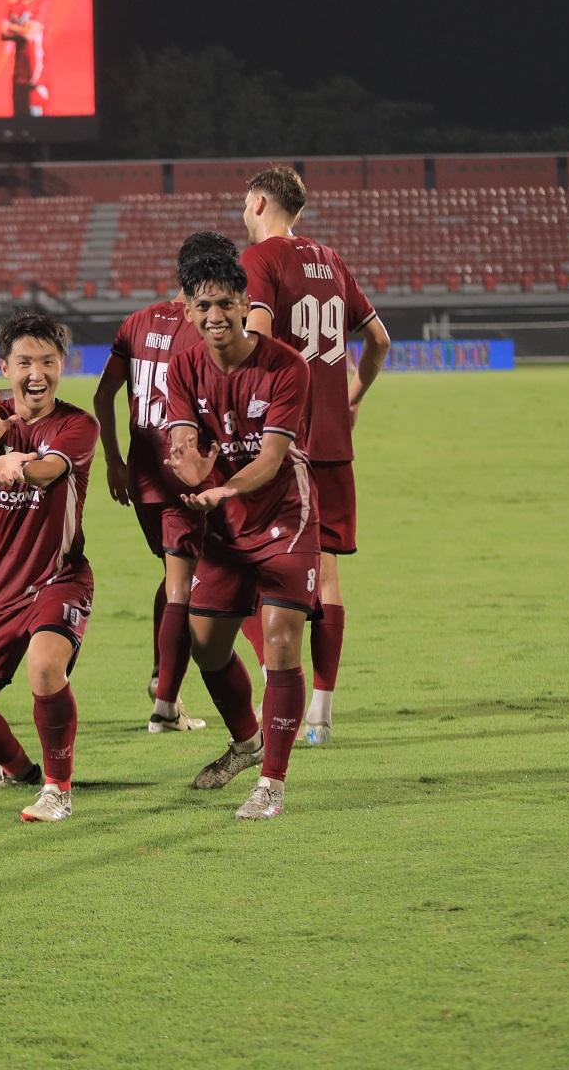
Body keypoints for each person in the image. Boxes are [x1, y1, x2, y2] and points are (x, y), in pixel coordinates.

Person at [241, 165, 390, 746]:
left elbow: (254, 338)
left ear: (258, 203)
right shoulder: (330, 259)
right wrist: (351, 397)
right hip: (331, 443)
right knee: (326, 575)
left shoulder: (259, 262)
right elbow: (377, 340)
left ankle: (275, 686)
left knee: (251, 568)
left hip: (279, 444)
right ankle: (321, 714)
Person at [164, 252, 316, 821]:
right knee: (205, 645)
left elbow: (274, 458)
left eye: (226, 303)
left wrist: (223, 489)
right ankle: (247, 742)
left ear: (246, 307)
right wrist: (191, 469)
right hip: (225, 524)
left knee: (279, 639)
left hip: (284, 515)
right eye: (203, 305)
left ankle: (272, 782)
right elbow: (183, 442)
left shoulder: (286, 367)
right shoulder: (184, 366)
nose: (215, 315)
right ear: (187, 311)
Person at [0, 310, 97, 822]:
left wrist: (14, 462)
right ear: (5, 366)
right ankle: (18, 769)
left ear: (62, 365)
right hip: (0, 585)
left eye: (49, 361)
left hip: (59, 578)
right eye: (25, 361)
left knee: (45, 669)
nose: (38, 373)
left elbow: (49, 470)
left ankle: (58, 789)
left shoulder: (78, 424)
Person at [93, 232, 249, 734]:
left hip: (142, 477)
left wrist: (116, 461)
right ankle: (165, 704)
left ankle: (164, 676)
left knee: (172, 575)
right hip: (185, 479)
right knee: (186, 583)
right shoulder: (205, 329)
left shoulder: (137, 322)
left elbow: (103, 395)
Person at [0, 0, 49, 119]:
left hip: (36, 77)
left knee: (38, 125)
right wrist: (19, 28)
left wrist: (13, 27)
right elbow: (3, 32)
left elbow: (30, 34)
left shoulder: (43, 3)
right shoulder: (16, 6)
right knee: (19, 122)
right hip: (18, 76)